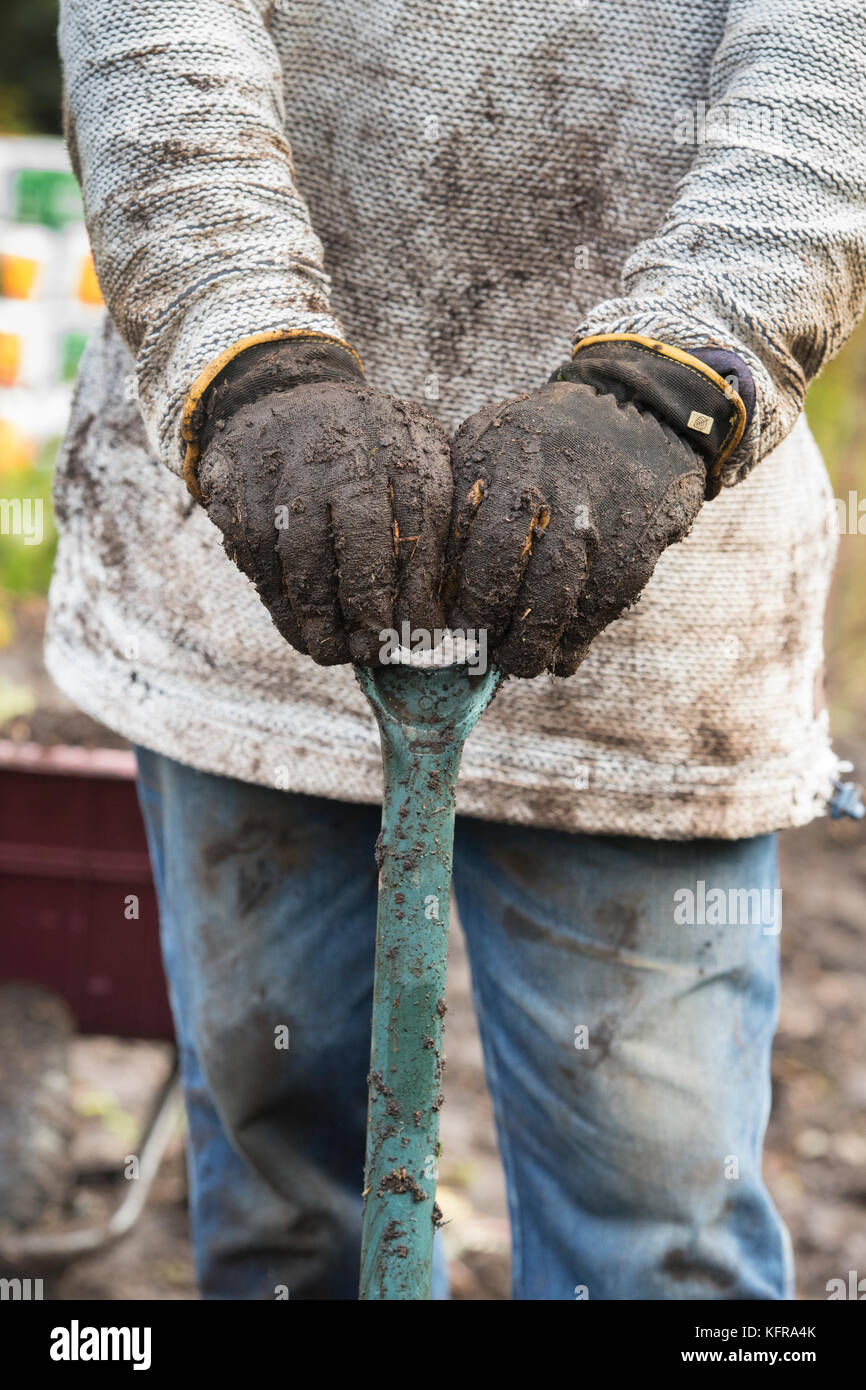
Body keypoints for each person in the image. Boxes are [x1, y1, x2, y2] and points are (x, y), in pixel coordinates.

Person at [50, 0, 866, 1299]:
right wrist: (249, 360)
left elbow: (827, 70)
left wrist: (669, 385)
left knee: (656, 1237)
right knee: (281, 1206)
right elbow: (157, 40)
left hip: (650, 623)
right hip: (247, 595)